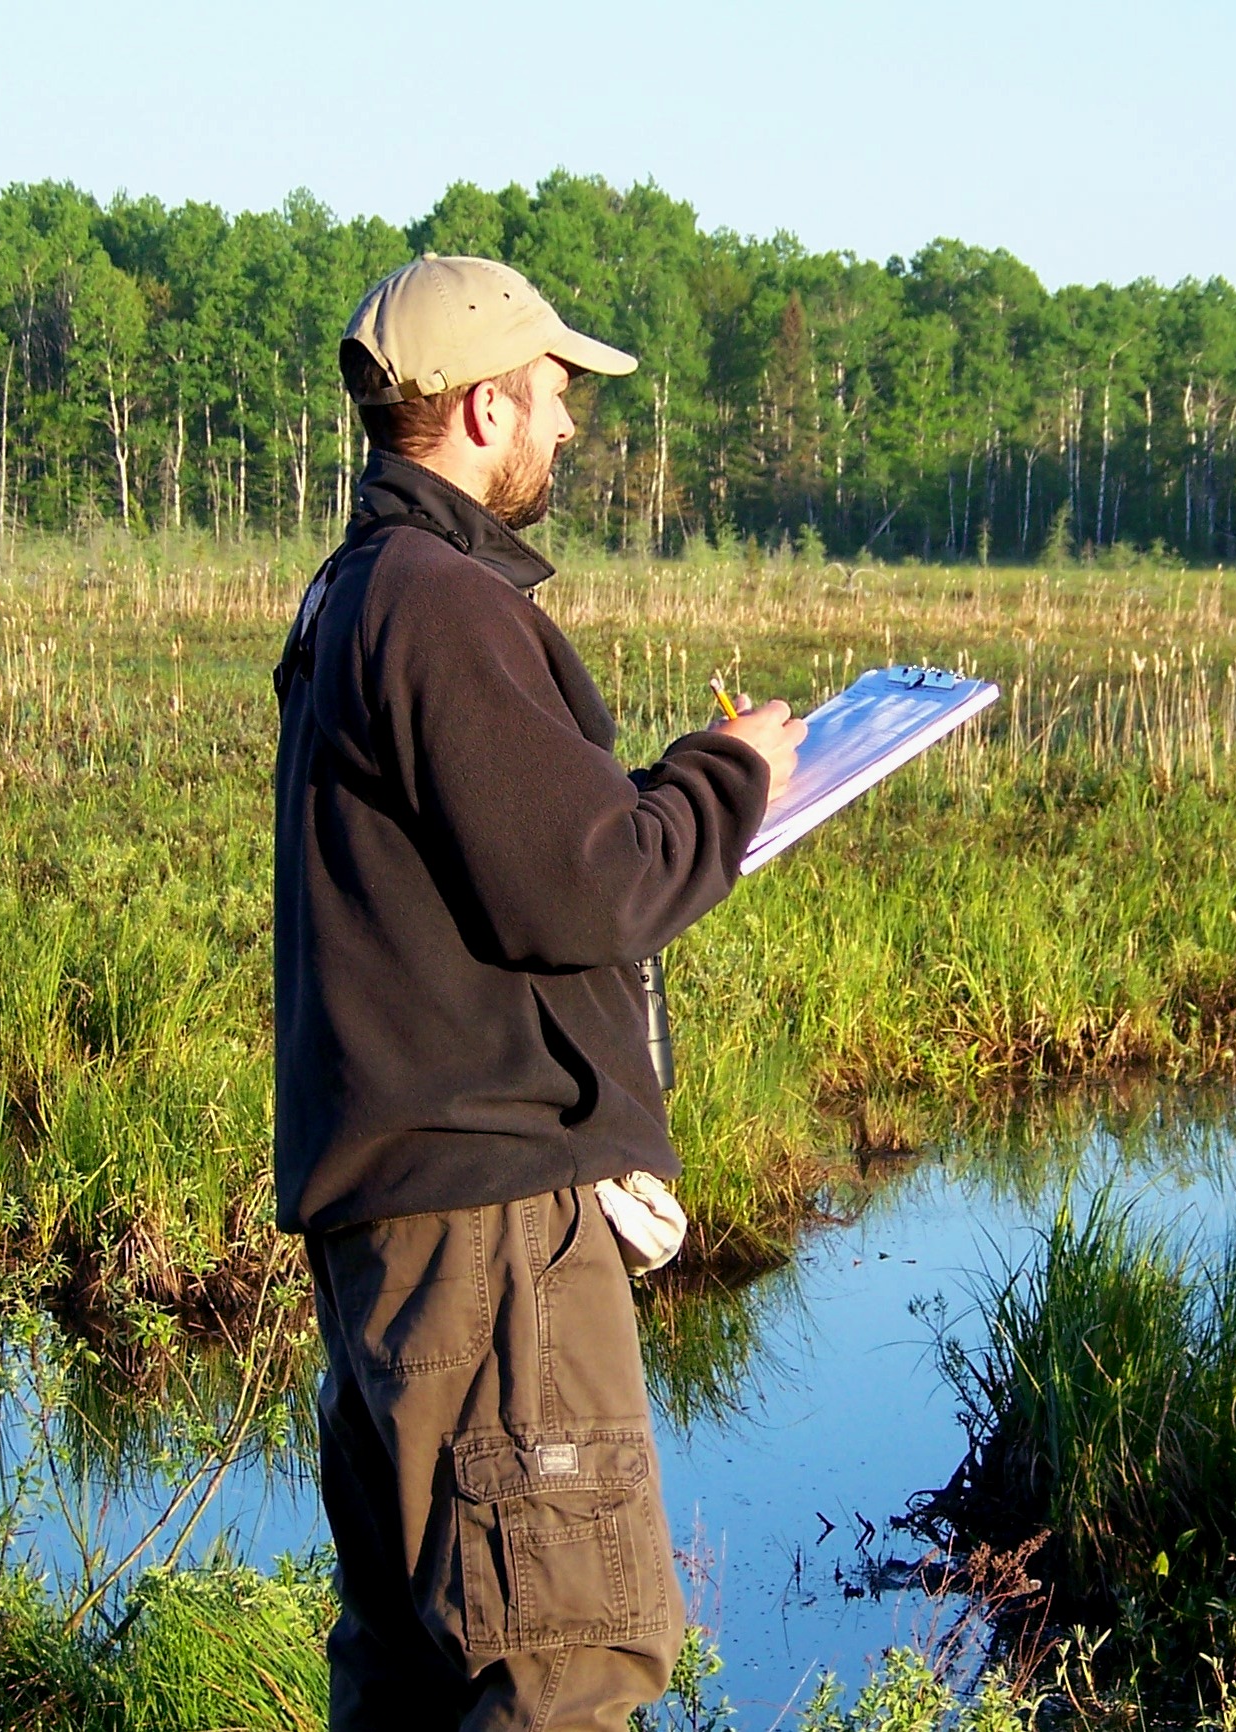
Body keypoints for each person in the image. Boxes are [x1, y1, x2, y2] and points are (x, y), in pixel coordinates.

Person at [272, 253, 804, 1730]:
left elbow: (514, 863)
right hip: (489, 1230)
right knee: (563, 1666)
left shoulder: (359, 592)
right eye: (559, 396)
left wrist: (662, 805)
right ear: (487, 406)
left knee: (420, 1677)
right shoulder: (440, 602)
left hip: (404, 1218)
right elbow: (582, 887)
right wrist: (734, 775)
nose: (571, 426)